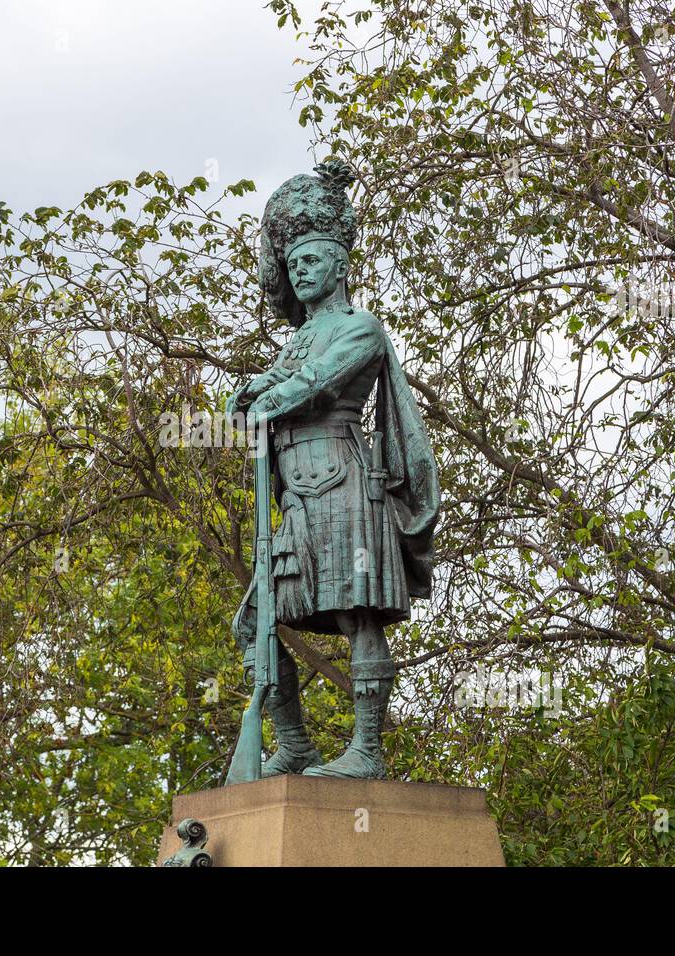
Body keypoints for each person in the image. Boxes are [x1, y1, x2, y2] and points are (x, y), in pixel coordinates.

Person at [227, 159, 441, 779]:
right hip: (293, 495)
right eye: (293, 262)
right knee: (253, 624)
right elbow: (256, 397)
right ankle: (295, 744)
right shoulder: (292, 342)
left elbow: (310, 386)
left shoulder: (360, 328)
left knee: (358, 615)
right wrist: (246, 395)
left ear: (341, 263)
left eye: (313, 259)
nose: (301, 269)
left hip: (346, 486)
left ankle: (367, 752)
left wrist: (263, 392)